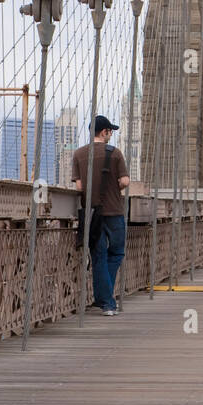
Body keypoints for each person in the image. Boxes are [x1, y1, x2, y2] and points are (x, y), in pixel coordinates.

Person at [73, 115, 129, 316]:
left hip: (91, 213)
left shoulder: (79, 154)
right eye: (110, 131)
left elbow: (79, 186)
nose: (111, 135)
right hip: (113, 211)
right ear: (104, 132)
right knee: (116, 253)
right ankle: (107, 301)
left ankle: (104, 300)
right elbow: (124, 181)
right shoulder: (115, 154)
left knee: (98, 256)